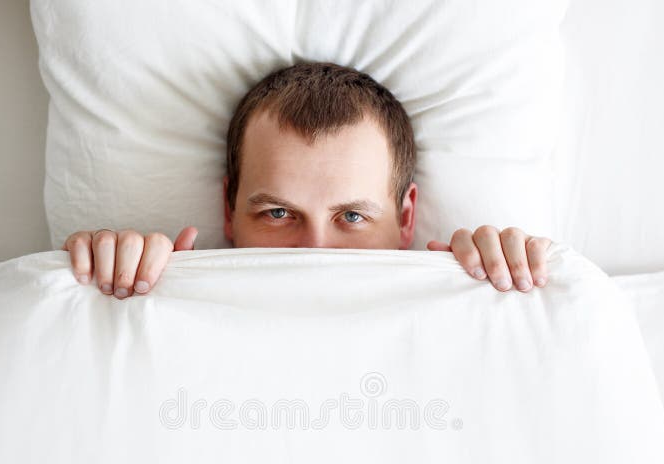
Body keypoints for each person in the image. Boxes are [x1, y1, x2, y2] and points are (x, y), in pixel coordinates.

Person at [63, 61, 552, 298]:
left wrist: (510, 292)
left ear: (405, 219)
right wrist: (107, 295)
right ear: (229, 209)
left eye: (353, 216)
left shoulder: (470, 313)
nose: (314, 250)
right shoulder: (158, 306)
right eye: (278, 213)